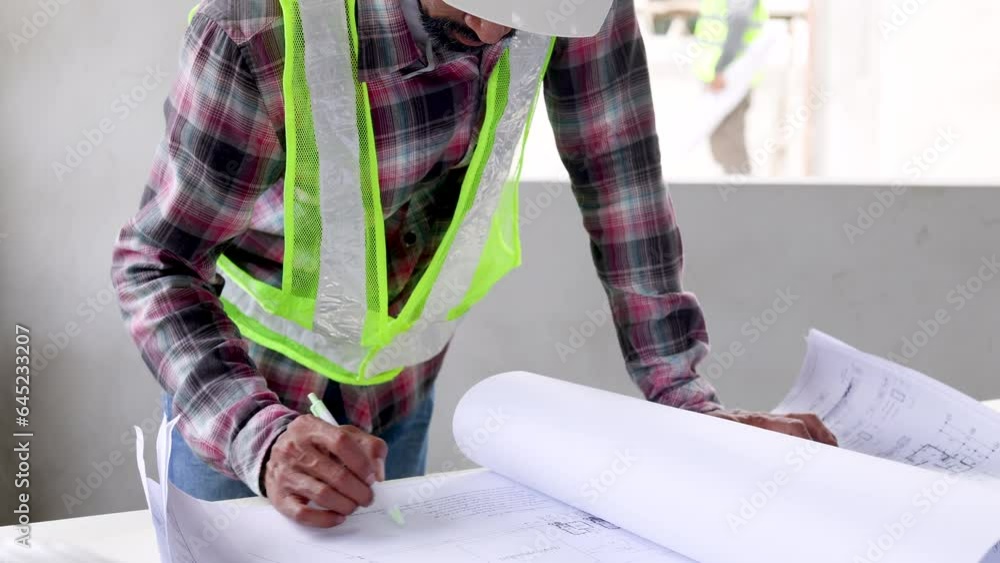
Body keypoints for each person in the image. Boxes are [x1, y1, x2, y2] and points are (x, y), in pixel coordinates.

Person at [111, 0, 835, 528]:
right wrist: (259, 438)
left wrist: (692, 408)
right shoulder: (254, 25)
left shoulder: (570, 7)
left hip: (402, 393)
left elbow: (625, 191)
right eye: (469, 7)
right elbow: (156, 263)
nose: (493, 34)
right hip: (243, 396)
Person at [693, 0, 768, 174]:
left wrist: (721, 69)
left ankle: (741, 189)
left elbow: (738, 21)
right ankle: (736, 186)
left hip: (730, 78)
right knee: (721, 143)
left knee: (730, 145)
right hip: (724, 77)